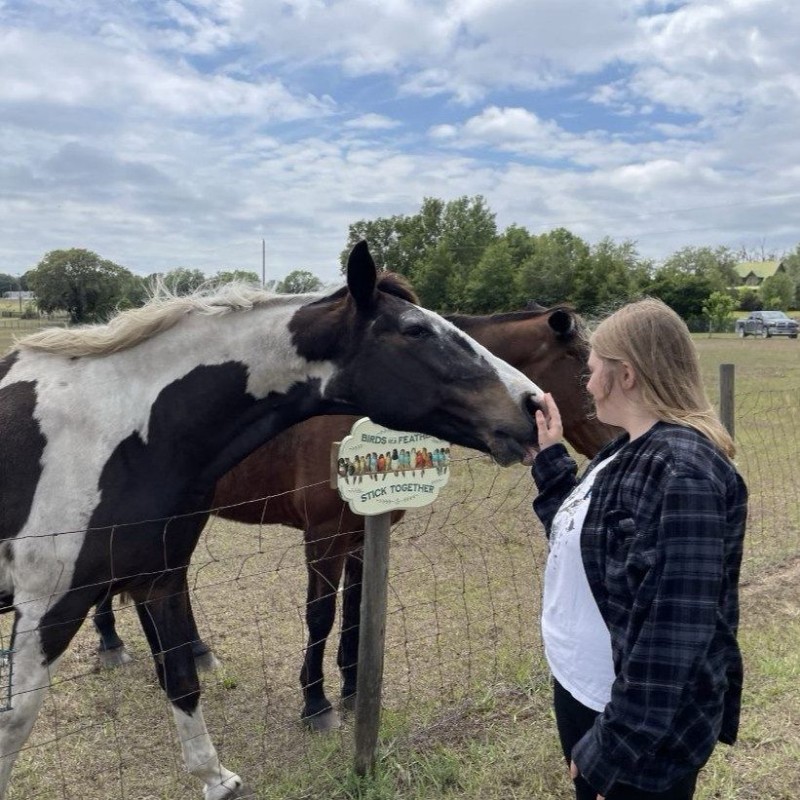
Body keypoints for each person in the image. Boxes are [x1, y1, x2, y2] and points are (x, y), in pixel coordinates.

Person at [528, 298, 747, 800]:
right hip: (587, 688)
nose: (586, 384)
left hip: (635, 721)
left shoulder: (682, 471)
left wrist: (617, 746)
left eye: (591, 369)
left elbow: (675, 631)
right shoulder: (627, 448)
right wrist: (549, 459)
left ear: (624, 375)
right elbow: (588, 542)